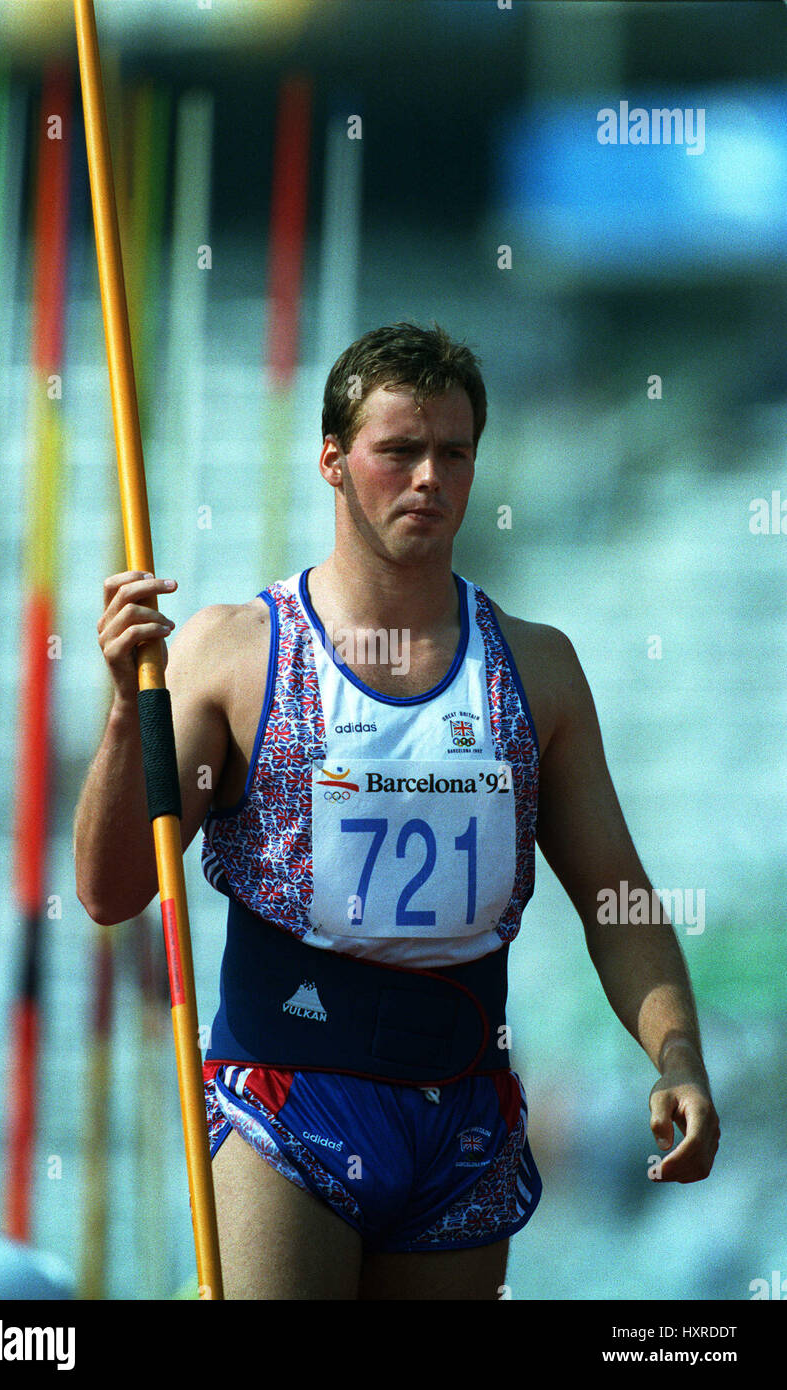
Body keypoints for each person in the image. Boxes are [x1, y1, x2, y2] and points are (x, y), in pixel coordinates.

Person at [74, 321, 720, 1300]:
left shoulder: (536, 668)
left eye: (451, 453)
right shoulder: (234, 652)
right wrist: (130, 710)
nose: (426, 477)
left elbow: (616, 900)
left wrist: (676, 1054)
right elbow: (111, 890)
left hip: (463, 1113)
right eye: (398, 451)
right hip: (289, 1100)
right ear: (332, 461)